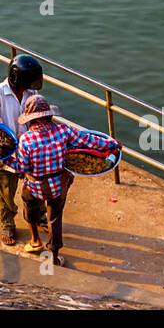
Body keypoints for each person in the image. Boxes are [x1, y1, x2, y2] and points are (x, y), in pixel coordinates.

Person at [10, 94, 119, 268]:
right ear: (49, 116)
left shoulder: (26, 141)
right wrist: (112, 144)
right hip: (58, 186)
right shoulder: (63, 131)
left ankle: (35, 240)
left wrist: (7, 159)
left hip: (35, 186)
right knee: (55, 218)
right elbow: (89, 141)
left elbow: (22, 169)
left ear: (30, 120)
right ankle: (53, 257)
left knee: (28, 204)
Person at [0, 54, 44, 246]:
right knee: (6, 191)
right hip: (6, 151)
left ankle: (39, 215)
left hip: (29, 149)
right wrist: (11, 149)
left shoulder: (31, 95)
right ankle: (7, 223)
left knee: (36, 185)